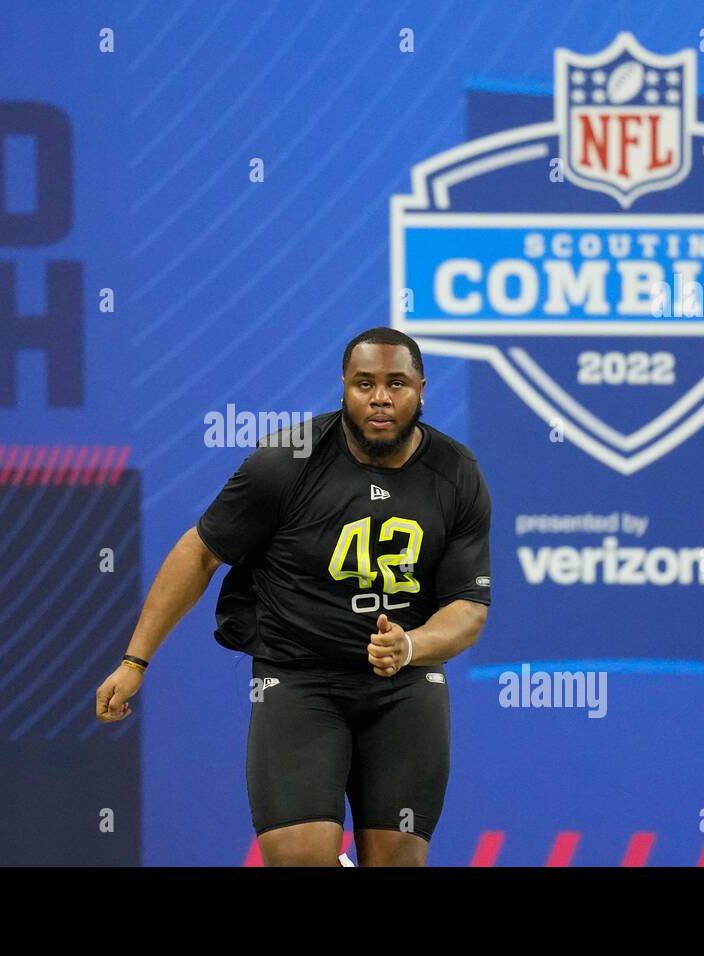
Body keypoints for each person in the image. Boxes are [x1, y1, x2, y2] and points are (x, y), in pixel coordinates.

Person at [95, 326, 492, 866]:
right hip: (298, 678)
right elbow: (200, 552)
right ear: (343, 389)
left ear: (423, 389)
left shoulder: (457, 473)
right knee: (299, 857)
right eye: (364, 383)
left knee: (398, 859)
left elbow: (468, 610)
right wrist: (134, 660)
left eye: (396, 383)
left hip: (405, 683)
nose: (380, 397)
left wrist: (411, 646)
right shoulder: (288, 459)